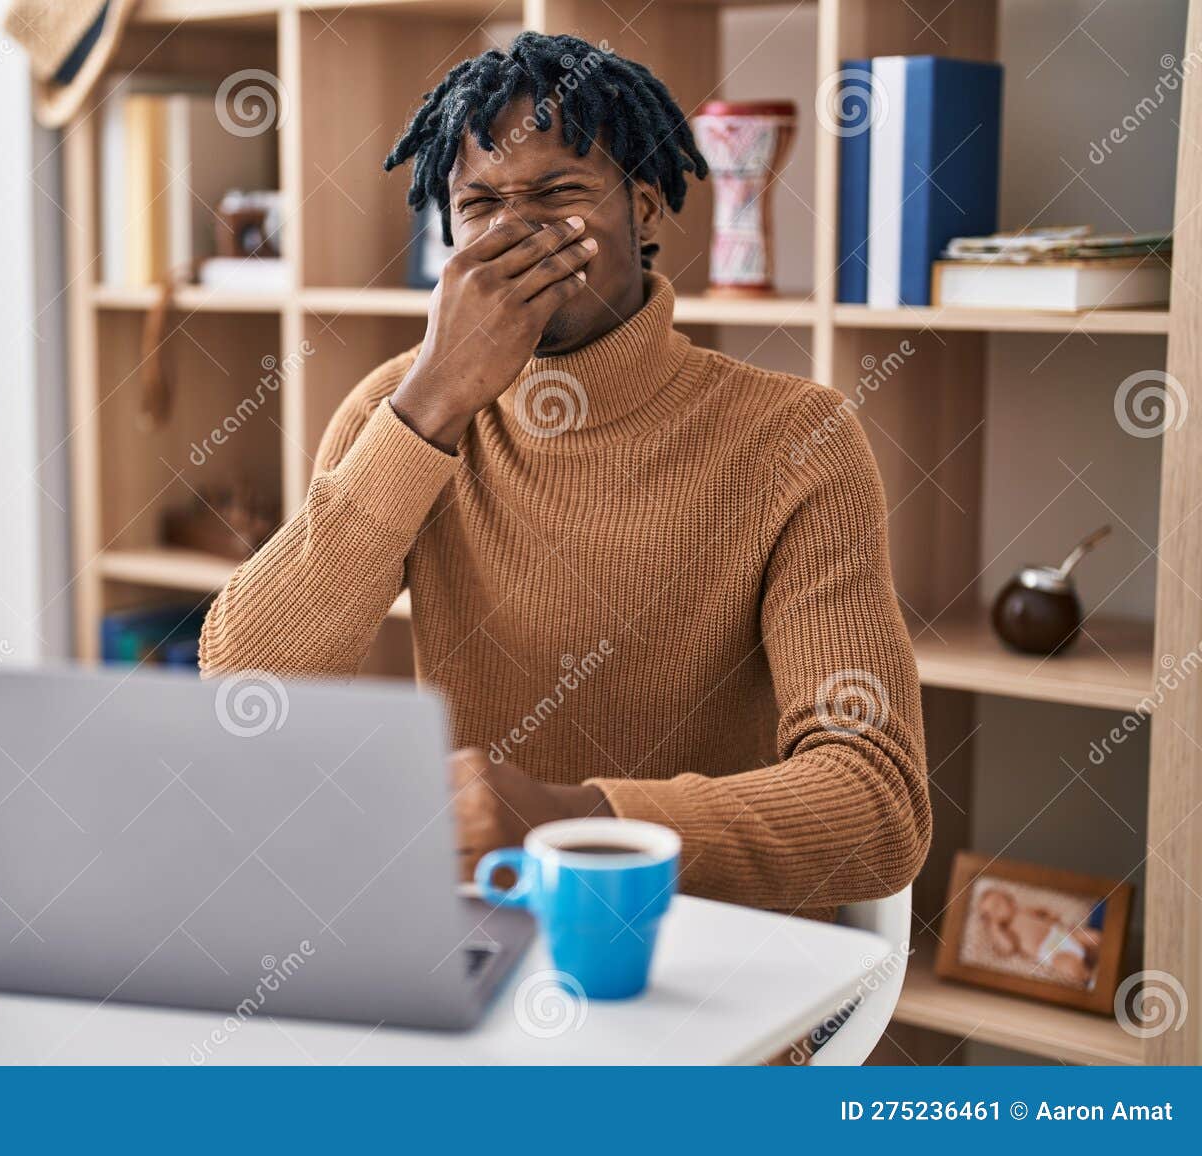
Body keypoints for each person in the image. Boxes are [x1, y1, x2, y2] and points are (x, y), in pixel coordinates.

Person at [199, 32, 929, 915]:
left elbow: (876, 804)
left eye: (558, 195)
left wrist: (580, 825)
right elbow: (248, 689)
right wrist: (432, 405)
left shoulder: (795, 439)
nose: (515, 233)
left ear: (646, 211)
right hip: (481, 929)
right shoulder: (398, 410)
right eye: (481, 206)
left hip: (703, 948)